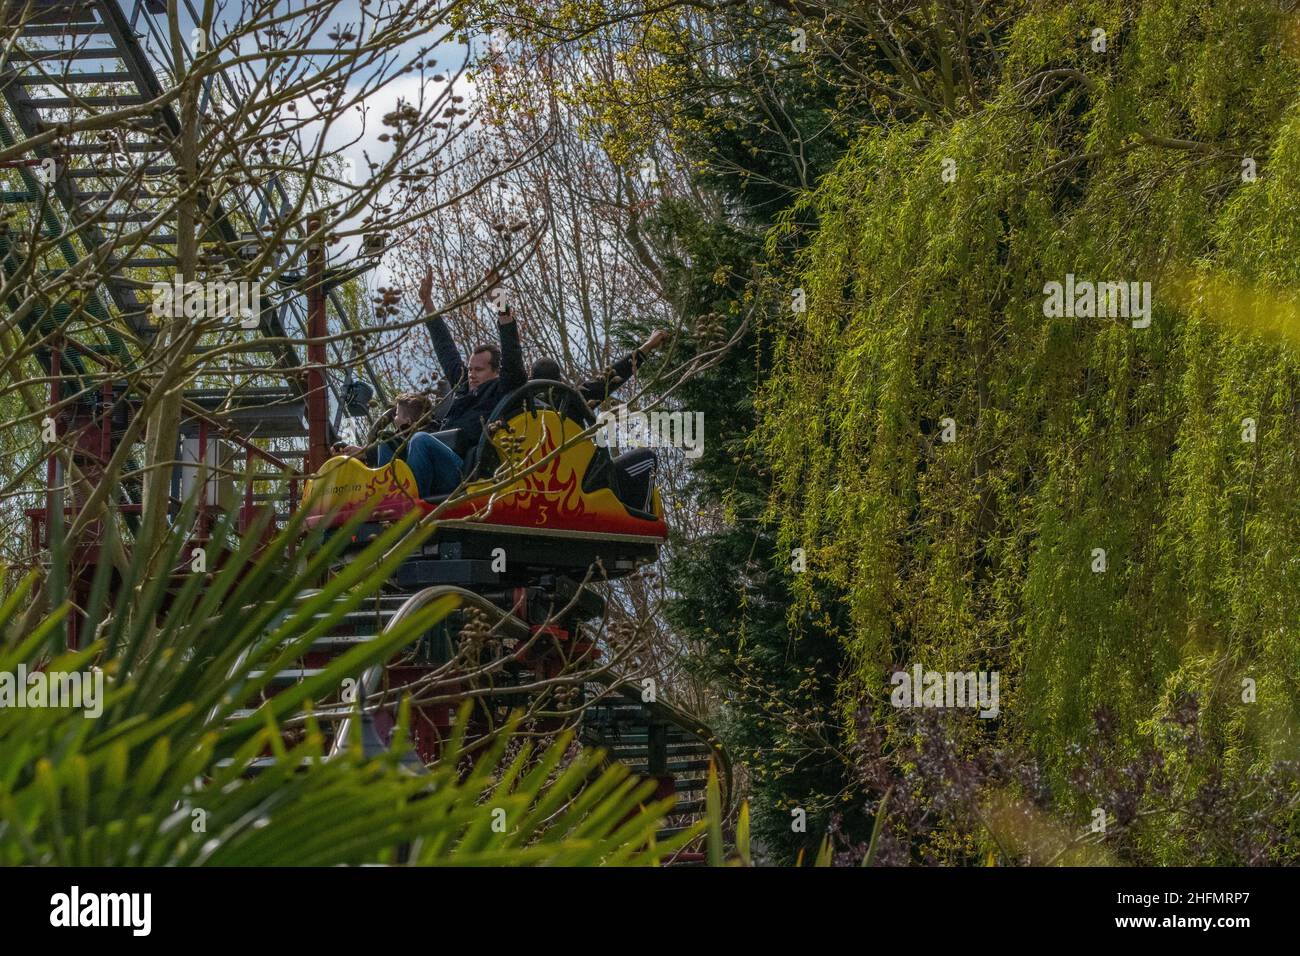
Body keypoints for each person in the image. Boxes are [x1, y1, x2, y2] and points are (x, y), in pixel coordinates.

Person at [335, 267, 525, 498]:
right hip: (437, 457)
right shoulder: (463, 388)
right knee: (387, 442)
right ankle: (385, 501)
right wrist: (427, 304)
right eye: (470, 369)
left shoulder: (502, 389)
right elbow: (446, 350)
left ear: (496, 371)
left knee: (421, 440)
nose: (472, 374)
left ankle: (411, 503)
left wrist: (499, 297)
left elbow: (512, 350)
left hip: (464, 471)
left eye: (479, 370)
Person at [528, 328, 671, 404]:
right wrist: (647, 346)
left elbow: (510, 363)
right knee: (646, 456)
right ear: (559, 382)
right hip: (568, 457)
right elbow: (606, 381)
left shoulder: (517, 405)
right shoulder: (569, 402)